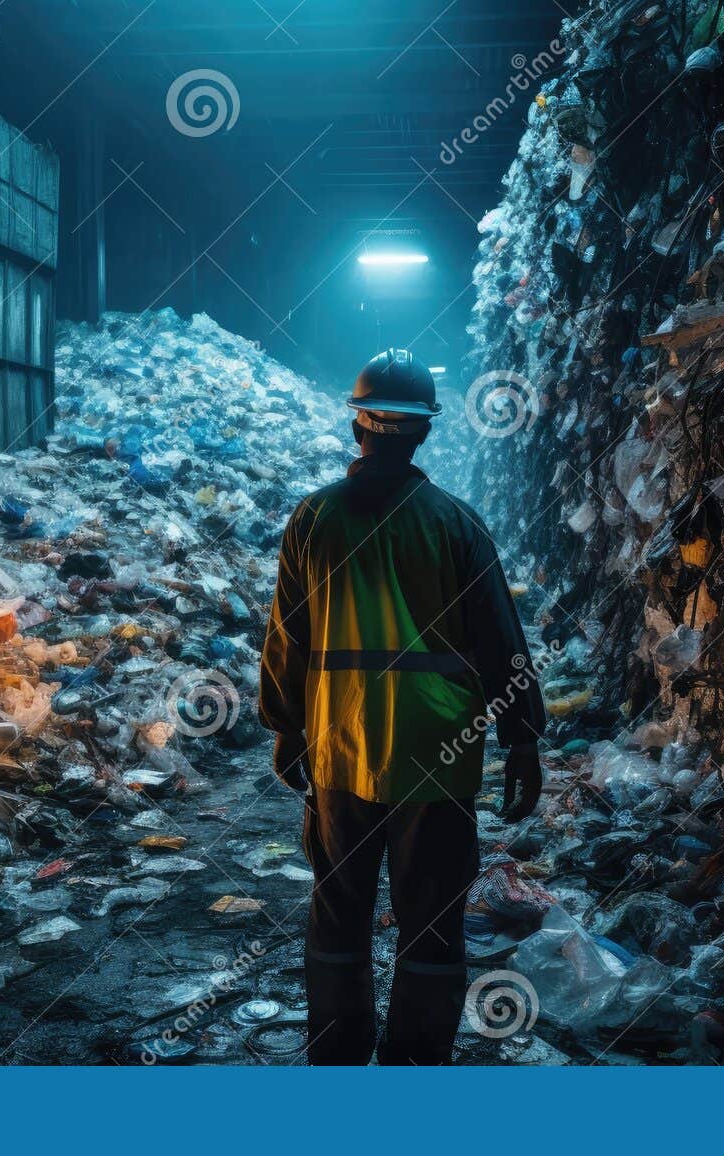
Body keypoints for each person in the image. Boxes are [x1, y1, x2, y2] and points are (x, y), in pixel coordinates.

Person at [258, 348, 545, 1065]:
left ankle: (338, 1051)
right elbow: (501, 642)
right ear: (424, 434)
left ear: (357, 427)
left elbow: (286, 639)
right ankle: (417, 1058)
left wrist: (286, 729)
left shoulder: (313, 520)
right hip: (437, 759)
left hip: (339, 749)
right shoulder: (455, 523)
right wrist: (523, 739)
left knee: (339, 912)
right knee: (432, 921)